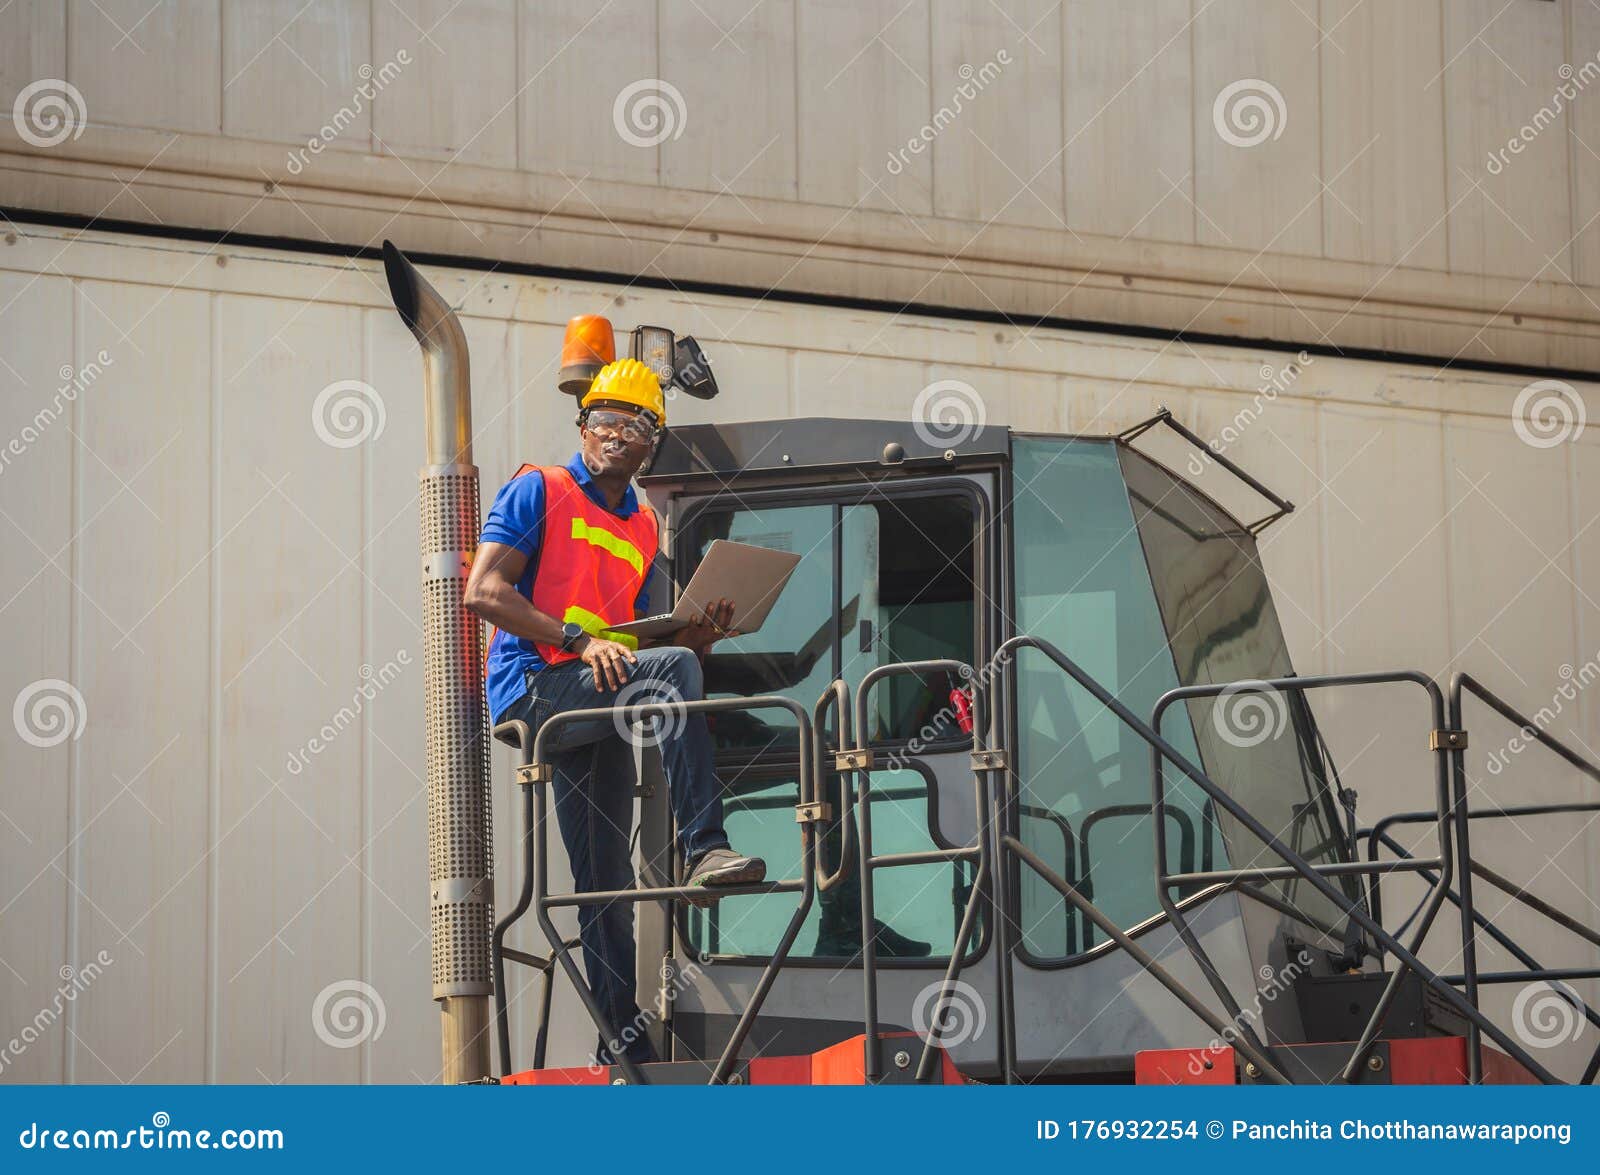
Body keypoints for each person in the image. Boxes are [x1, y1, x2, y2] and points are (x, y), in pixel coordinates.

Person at [465, 356, 764, 1065]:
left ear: (650, 445)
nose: (615, 435)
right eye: (603, 420)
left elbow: (638, 641)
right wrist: (578, 638)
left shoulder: (643, 526)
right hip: (536, 687)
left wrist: (698, 636)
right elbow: (483, 591)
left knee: (603, 881)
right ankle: (706, 846)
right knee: (676, 671)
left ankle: (621, 1047)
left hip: (597, 689)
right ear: (583, 425)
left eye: (634, 427)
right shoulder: (540, 489)